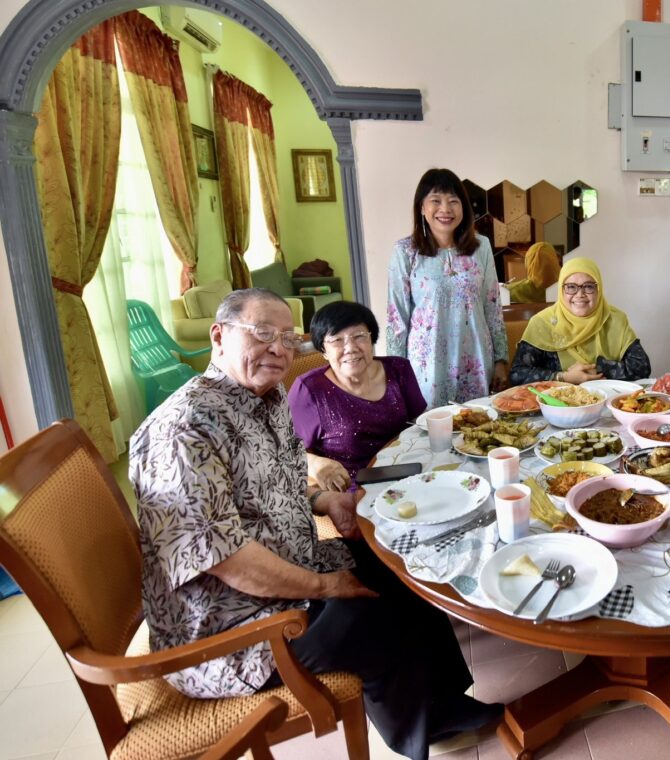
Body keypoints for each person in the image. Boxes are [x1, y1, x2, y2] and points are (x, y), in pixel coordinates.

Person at [130, 289, 499, 760]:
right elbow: (230, 563)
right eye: (262, 333)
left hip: (288, 575)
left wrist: (324, 500)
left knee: (403, 563)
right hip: (231, 631)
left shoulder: (262, 398)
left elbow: (275, 488)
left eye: (287, 337)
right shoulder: (183, 431)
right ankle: (418, 729)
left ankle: (442, 702)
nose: (279, 349)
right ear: (218, 336)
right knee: (371, 612)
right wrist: (326, 586)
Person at [387, 168, 508, 408]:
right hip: (427, 364)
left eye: (454, 201)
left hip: (475, 357)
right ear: (422, 207)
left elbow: (492, 306)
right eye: (436, 201)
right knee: (432, 431)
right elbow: (396, 318)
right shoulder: (405, 252)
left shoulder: (480, 247)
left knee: (477, 430)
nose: (446, 209)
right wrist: (396, 376)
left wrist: (501, 359)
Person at [289, 301, 426, 491]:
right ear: (323, 350)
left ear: (371, 340)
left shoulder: (399, 369)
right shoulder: (309, 391)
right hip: (357, 490)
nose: (350, 347)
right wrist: (315, 465)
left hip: (413, 472)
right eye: (337, 340)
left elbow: (420, 424)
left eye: (359, 336)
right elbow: (288, 451)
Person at [509, 256, 651, 385]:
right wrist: (563, 377)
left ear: (599, 290)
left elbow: (642, 368)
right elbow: (517, 374)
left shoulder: (615, 319)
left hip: (608, 403)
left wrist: (599, 367)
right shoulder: (542, 323)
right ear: (561, 290)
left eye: (588, 286)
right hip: (557, 407)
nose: (580, 294)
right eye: (571, 287)